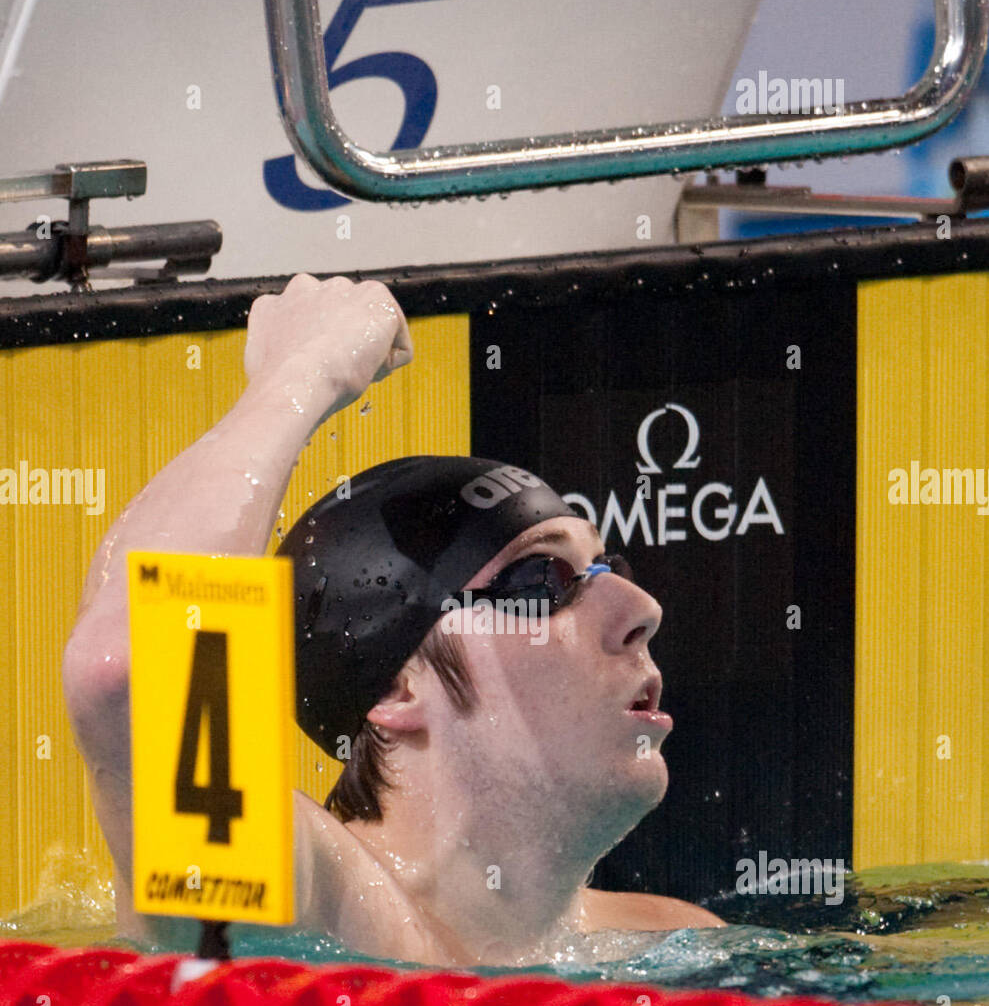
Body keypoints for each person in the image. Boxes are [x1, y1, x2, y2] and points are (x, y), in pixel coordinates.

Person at [63, 274, 723, 966]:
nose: (641, 609)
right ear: (397, 689)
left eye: (604, 566)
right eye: (539, 581)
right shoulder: (311, 909)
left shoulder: (672, 936)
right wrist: (301, 374)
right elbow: (131, 666)